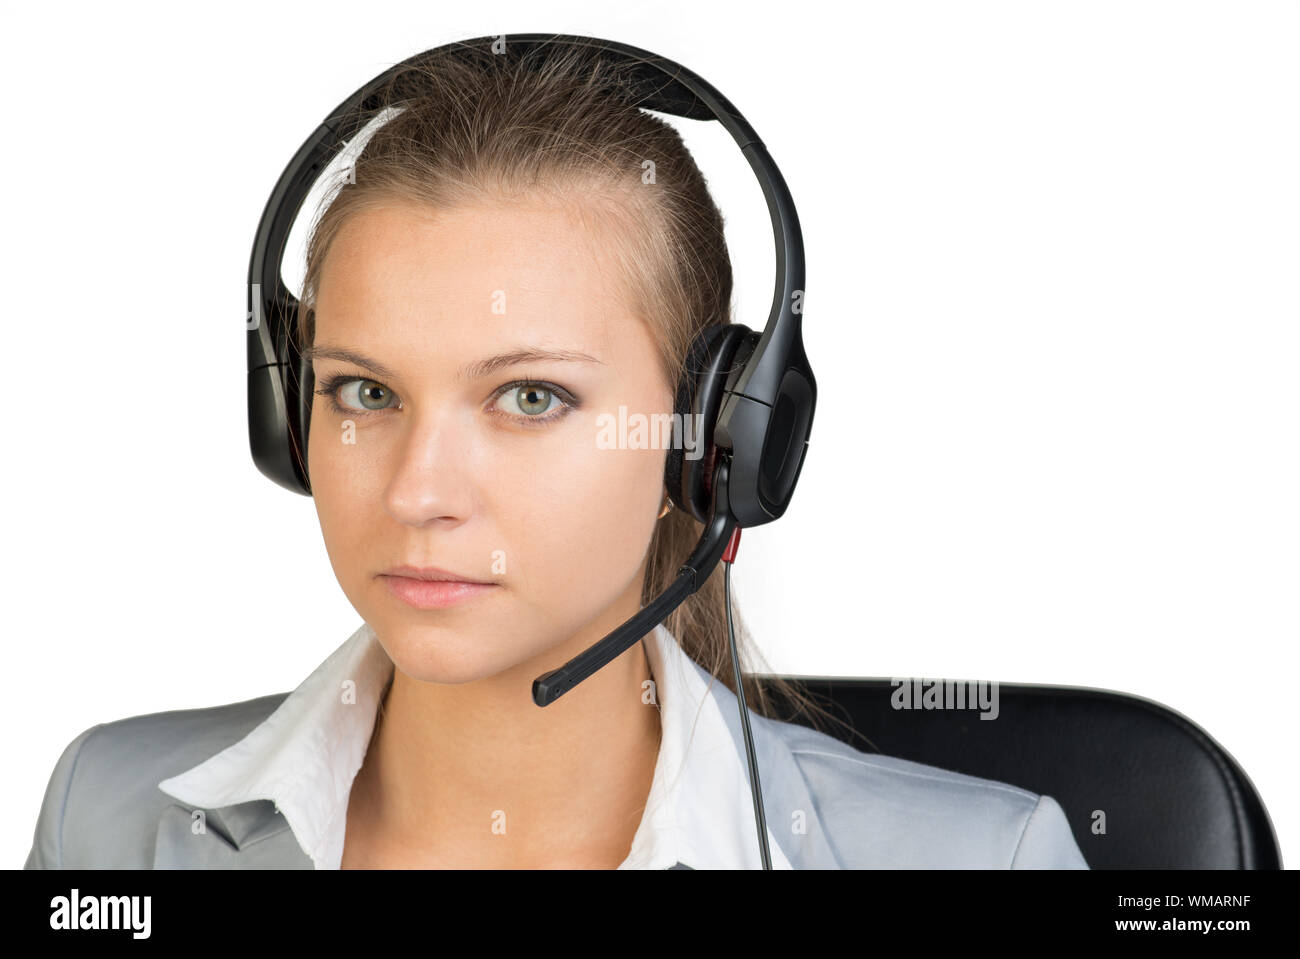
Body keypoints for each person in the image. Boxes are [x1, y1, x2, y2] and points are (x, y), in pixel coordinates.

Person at [24, 40, 1088, 870]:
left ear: (712, 441)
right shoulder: (108, 818)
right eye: (365, 390)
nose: (418, 489)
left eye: (530, 396)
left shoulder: (981, 864)